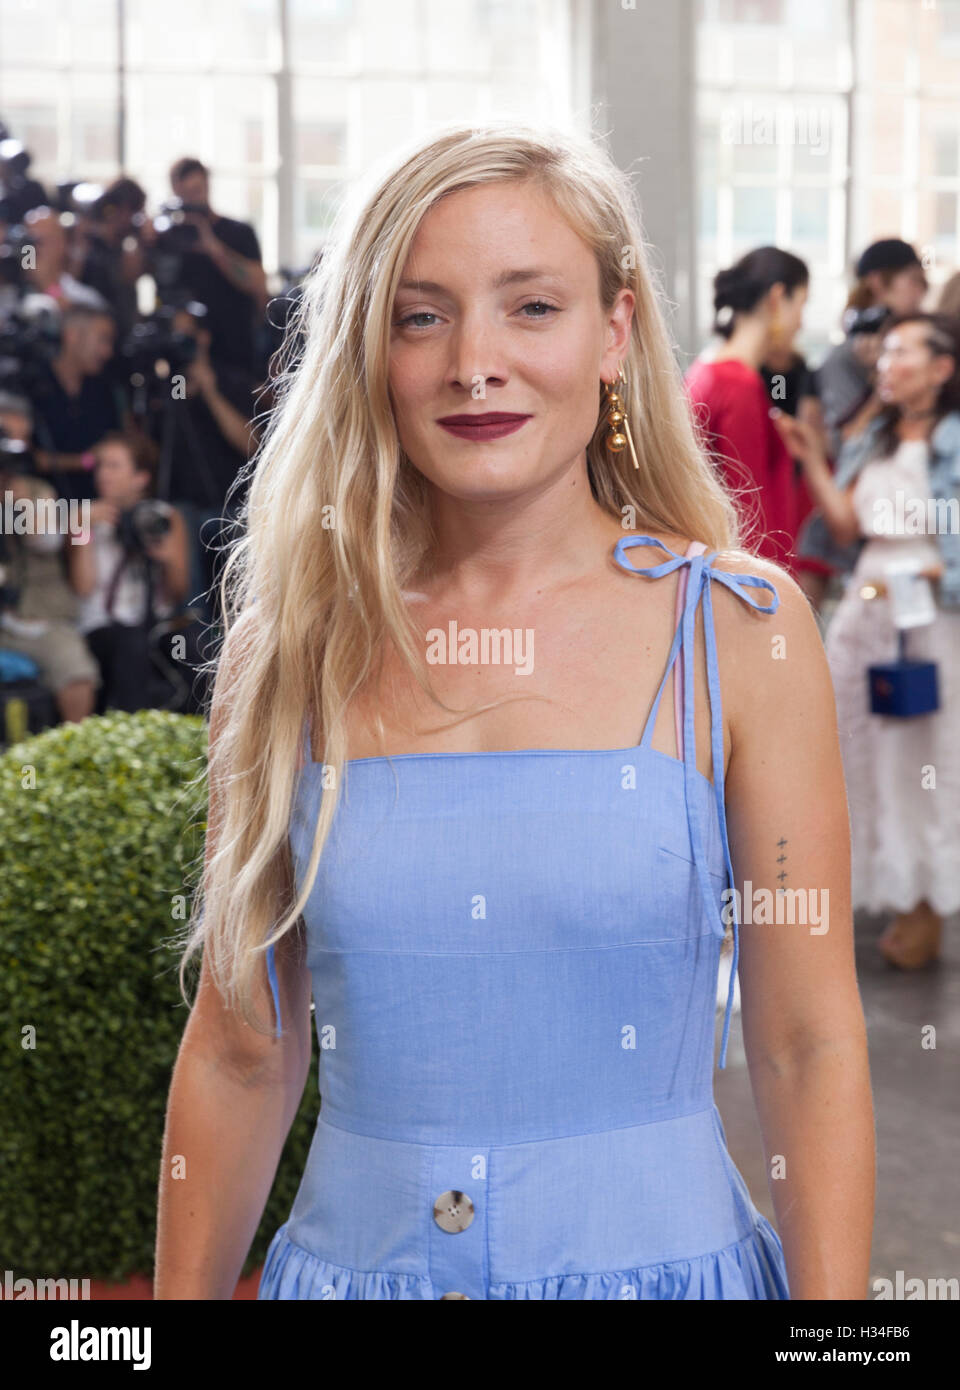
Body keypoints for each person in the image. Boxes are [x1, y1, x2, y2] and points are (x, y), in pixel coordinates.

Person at [156, 123, 872, 1301]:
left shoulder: (740, 631)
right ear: (368, 350)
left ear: (615, 332)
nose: (472, 363)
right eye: (420, 314)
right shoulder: (287, 651)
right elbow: (242, 1053)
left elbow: (809, 1043)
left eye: (530, 306)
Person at [774, 313, 960, 971]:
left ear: (943, 367)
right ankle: (874, 890)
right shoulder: (873, 436)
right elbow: (848, 527)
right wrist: (810, 459)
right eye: (885, 353)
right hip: (867, 606)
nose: (886, 362)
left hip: (929, 611)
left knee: (925, 758)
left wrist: (916, 574)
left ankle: (926, 903)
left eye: (903, 351)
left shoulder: (953, 439)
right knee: (853, 747)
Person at [684, 247, 812, 575]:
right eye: (801, 305)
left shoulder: (708, 369)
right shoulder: (738, 385)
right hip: (745, 580)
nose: (802, 323)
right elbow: (751, 518)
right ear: (777, 297)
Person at [68, 432, 190, 712]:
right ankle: (134, 733)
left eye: (113, 466)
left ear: (141, 478)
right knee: (130, 642)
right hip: (101, 626)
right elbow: (82, 587)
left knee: (192, 644)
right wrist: (82, 528)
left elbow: (178, 592)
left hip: (156, 624)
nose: (102, 474)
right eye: (100, 466)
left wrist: (167, 559)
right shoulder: (82, 516)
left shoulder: (164, 517)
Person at [0, 391, 100, 721]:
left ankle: (68, 763)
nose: (13, 448)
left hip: (36, 619)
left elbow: (46, 541)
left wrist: (20, 500)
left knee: (76, 673)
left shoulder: (37, 490)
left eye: (20, 439)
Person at [816, 239, 927, 461]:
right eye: (914, 281)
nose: (921, 292)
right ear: (877, 282)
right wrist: (883, 379)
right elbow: (845, 445)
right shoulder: (843, 358)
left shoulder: (924, 344)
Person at [162, 157, 267, 373]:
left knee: (233, 406)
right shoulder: (169, 237)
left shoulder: (238, 232)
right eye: (184, 193)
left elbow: (258, 284)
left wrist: (212, 247)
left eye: (196, 190)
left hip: (234, 355)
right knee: (179, 396)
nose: (191, 199)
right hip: (186, 356)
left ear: (207, 185)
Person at [30, 302, 129, 504]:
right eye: (103, 340)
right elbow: (24, 458)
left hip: (100, 506)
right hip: (41, 510)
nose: (107, 352)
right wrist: (83, 461)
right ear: (72, 336)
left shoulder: (104, 389)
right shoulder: (32, 384)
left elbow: (117, 439)